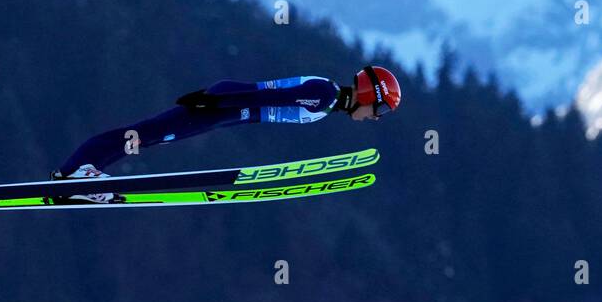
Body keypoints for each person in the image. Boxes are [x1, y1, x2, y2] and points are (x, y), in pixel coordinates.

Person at [51, 65, 401, 202]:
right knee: (146, 134)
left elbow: (264, 100)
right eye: (380, 110)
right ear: (371, 95)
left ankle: (83, 176)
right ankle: (76, 172)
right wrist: (212, 100)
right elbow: (266, 96)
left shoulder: (326, 100)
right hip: (226, 105)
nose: (375, 118)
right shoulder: (324, 96)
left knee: (148, 135)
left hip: (231, 111)